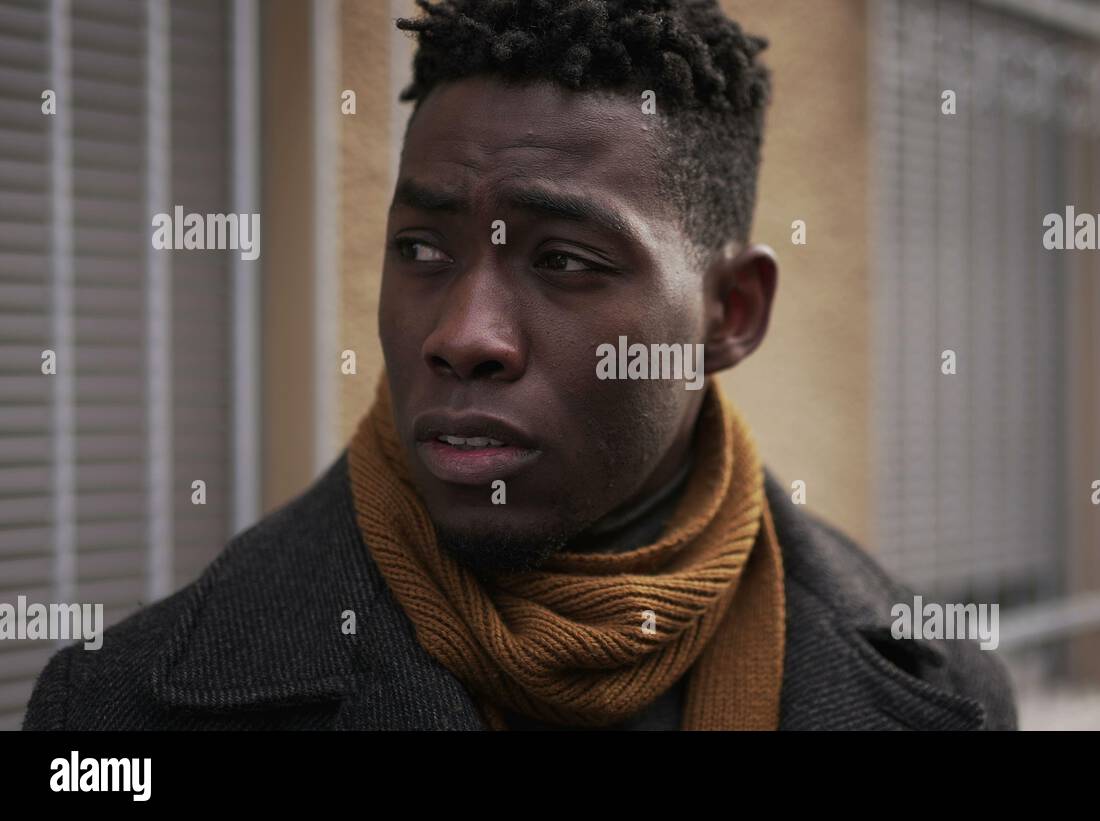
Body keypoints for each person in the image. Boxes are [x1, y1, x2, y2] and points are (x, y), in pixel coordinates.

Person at [24, 0, 1015, 731]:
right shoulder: (122, 713)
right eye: (422, 248)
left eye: (565, 261)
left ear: (730, 311)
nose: (464, 334)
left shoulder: (947, 694)